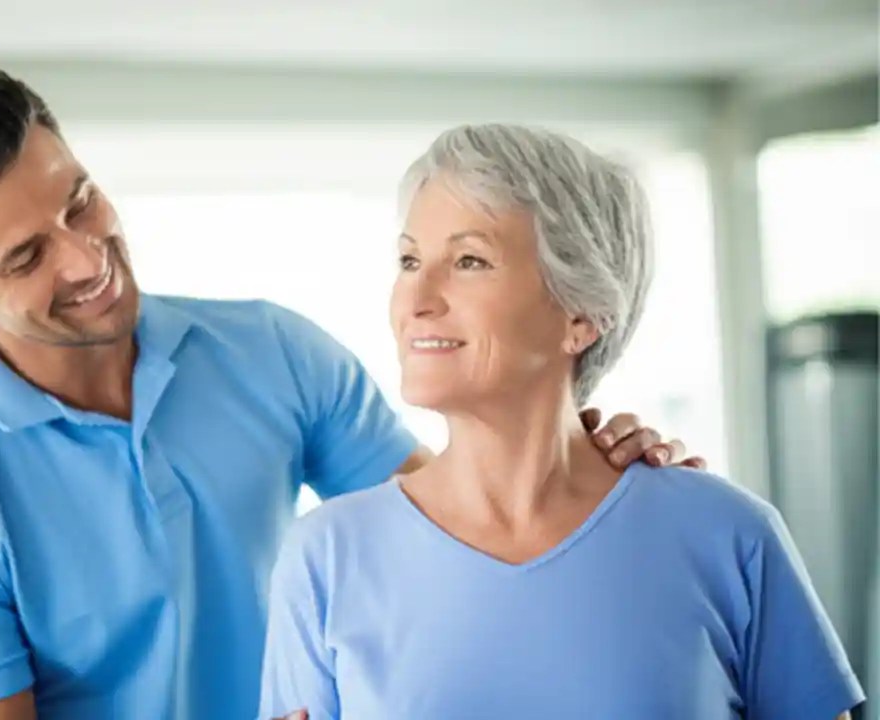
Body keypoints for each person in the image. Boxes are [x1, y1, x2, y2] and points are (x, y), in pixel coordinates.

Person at [0, 71, 702, 720]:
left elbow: (456, 537)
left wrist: (580, 472)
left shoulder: (271, 352)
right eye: (26, 257)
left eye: (79, 204)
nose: (85, 258)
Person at [257, 124, 865, 720]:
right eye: (410, 259)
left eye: (469, 260)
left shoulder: (727, 533)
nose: (416, 299)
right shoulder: (326, 556)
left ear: (581, 315)